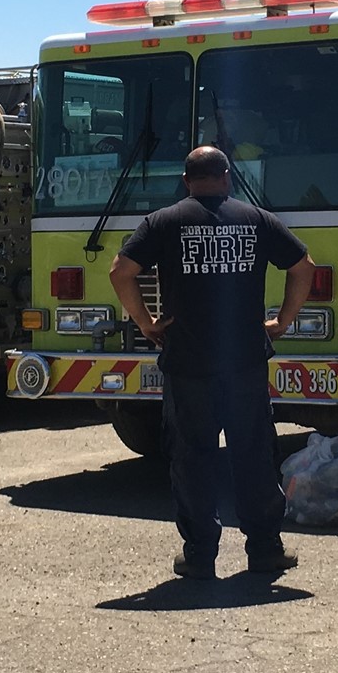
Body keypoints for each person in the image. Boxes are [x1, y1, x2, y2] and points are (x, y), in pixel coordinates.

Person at [109, 145, 316, 580]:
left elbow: (120, 272)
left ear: (186, 181)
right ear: (226, 177)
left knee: (193, 458)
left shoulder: (163, 222)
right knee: (254, 455)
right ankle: (264, 550)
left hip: (188, 365)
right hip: (244, 362)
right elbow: (303, 266)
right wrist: (283, 319)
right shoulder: (256, 219)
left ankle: (200, 555)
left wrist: (146, 322)